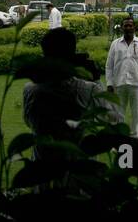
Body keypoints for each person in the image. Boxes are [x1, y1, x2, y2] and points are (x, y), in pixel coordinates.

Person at [23, 28, 122, 161]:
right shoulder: (88, 90)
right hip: (79, 171)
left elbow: (29, 122)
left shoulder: (30, 90)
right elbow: (113, 117)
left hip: (43, 170)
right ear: (72, 53)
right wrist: (95, 79)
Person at [106, 18, 138, 139]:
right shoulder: (115, 44)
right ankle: (117, 141)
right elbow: (109, 66)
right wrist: (109, 83)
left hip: (137, 84)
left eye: (130, 25)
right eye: (126, 26)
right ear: (122, 28)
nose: (128, 28)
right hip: (119, 84)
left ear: (134, 27)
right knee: (118, 114)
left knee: (137, 114)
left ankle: (137, 140)